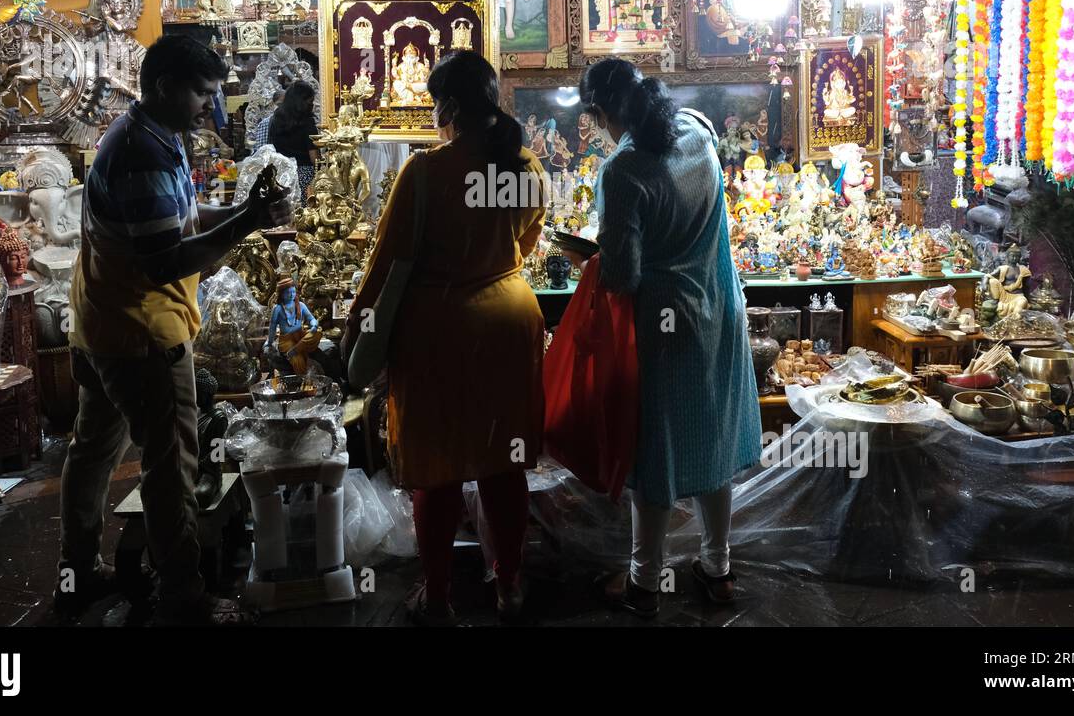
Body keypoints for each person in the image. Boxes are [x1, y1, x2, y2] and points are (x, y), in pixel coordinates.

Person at [58, 34, 292, 625]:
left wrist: (244, 213)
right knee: (171, 464)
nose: (210, 107)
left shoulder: (153, 134)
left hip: (101, 322)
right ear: (165, 87)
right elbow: (166, 259)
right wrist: (246, 225)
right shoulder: (141, 152)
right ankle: (183, 595)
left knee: (91, 453)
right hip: (140, 334)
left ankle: (78, 574)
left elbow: (183, 219)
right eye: (203, 93)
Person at [341, 50, 545, 626]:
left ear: (450, 105)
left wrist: (357, 329)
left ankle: (436, 598)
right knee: (504, 464)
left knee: (439, 466)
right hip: (508, 319)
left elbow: (387, 265)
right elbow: (526, 243)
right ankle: (510, 587)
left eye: (436, 104)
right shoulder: (525, 166)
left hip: (441, 328)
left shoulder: (425, 172)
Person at [570, 57, 761, 618]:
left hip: (661, 326)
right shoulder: (698, 132)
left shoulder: (623, 171)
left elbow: (622, 275)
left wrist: (588, 256)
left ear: (602, 112)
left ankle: (643, 582)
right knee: (710, 439)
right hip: (719, 308)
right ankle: (718, 569)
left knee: (657, 451)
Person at [267, 82, 321, 195]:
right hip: (304, 175)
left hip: (281, 174)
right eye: (310, 102)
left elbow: (271, 147)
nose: (312, 105)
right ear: (302, 102)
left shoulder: (276, 118)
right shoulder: (307, 121)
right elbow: (314, 158)